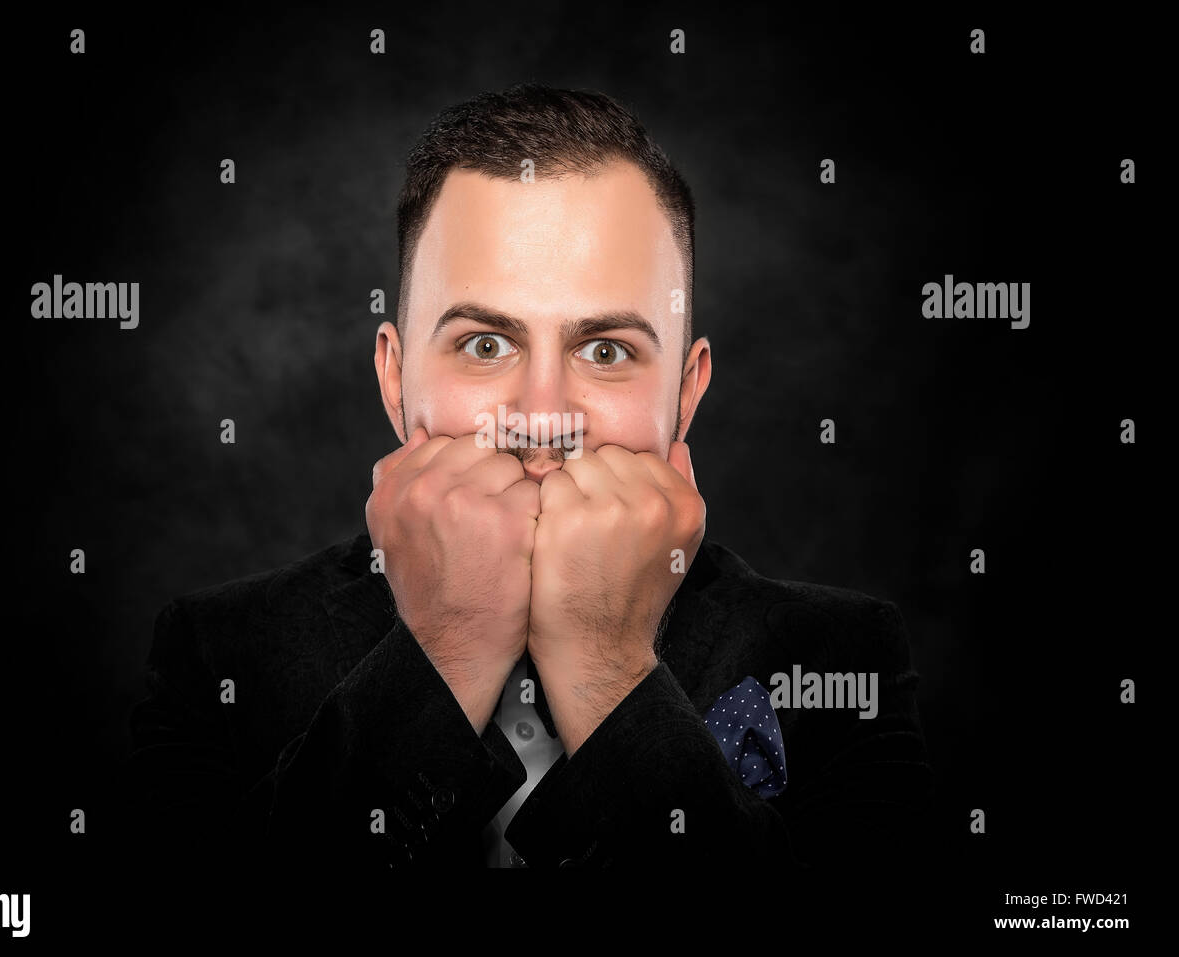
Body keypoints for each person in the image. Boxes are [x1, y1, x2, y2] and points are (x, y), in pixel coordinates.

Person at [120, 83, 933, 870]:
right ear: (395, 380)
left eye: (606, 350)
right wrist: (446, 651)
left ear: (686, 393)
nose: (542, 417)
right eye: (485, 344)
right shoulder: (218, 653)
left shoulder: (838, 656)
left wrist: (608, 669)